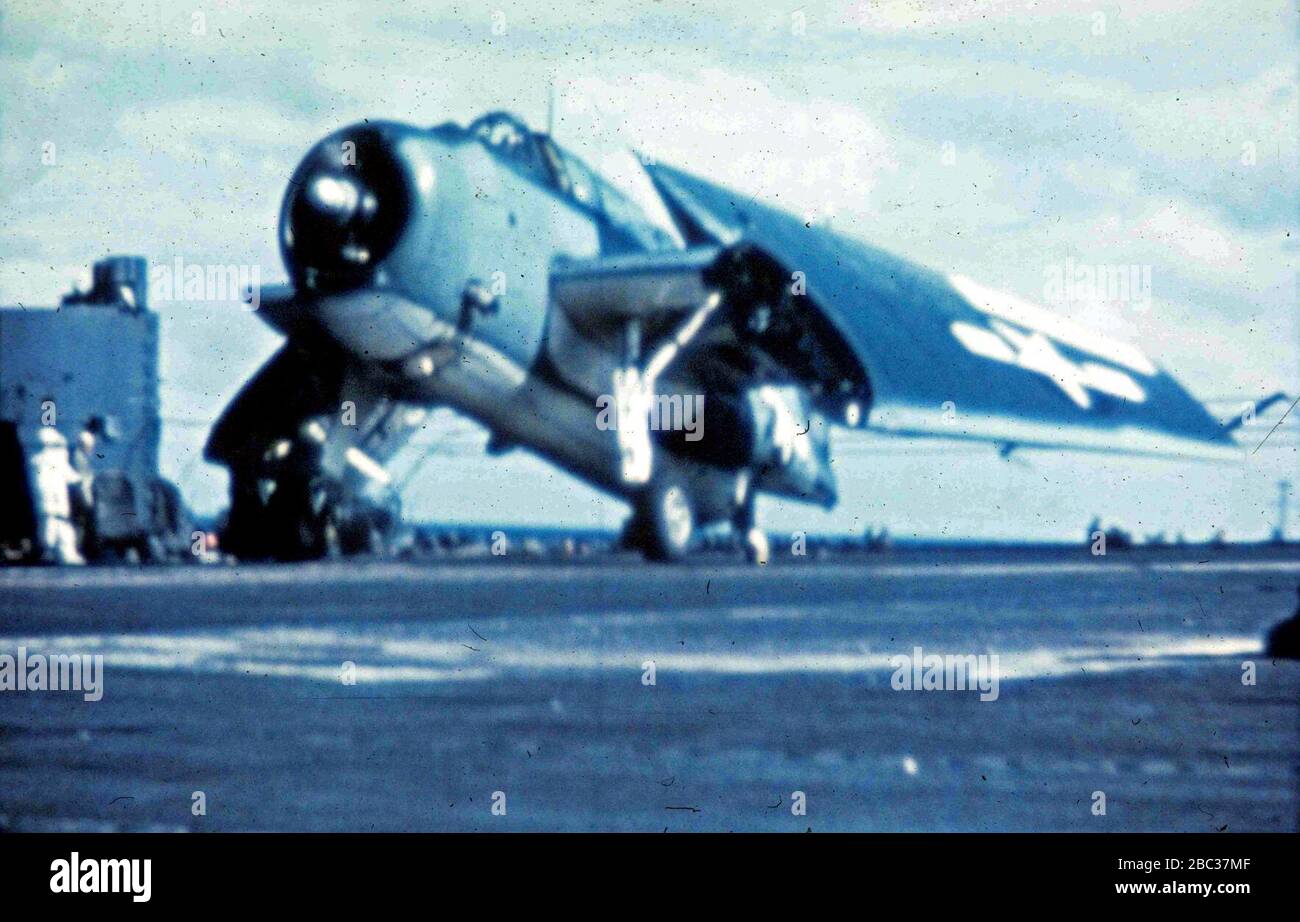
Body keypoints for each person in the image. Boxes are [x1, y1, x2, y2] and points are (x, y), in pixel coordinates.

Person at [29, 427, 84, 565]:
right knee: (52, 530)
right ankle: (52, 552)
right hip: (53, 503)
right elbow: (72, 477)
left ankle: (58, 553)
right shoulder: (52, 461)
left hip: (51, 504)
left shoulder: (37, 461)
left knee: (56, 529)